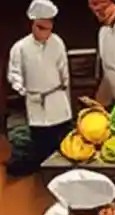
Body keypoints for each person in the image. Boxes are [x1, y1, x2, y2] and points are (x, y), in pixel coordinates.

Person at [6, 1, 71, 178]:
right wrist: (21, 88)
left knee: (63, 135)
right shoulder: (20, 48)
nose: (45, 33)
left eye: (48, 29)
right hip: (35, 99)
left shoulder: (57, 43)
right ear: (33, 25)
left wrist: (65, 90)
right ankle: (44, 172)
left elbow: (64, 70)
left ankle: (64, 171)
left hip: (56, 96)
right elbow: (14, 73)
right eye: (41, 28)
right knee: (41, 138)